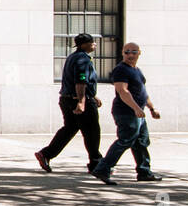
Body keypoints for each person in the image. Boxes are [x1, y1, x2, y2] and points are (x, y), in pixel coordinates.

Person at [92, 42, 162, 185]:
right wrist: (136, 108)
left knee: (141, 142)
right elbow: (122, 91)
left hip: (138, 113)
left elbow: (142, 92)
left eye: (134, 52)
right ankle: (102, 169)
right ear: (123, 53)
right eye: (127, 52)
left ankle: (144, 172)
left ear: (139, 53)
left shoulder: (137, 70)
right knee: (125, 141)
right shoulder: (121, 70)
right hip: (126, 112)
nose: (130, 55)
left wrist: (151, 108)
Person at [34, 32, 103, 174]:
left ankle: (46, 154)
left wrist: (93, 95)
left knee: (70, 128)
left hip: (66, 98)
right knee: (92, 131)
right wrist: (82, 101)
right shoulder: (82, 59)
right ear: (84, 45)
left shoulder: (73, 57)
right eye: (92, 42)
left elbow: (80, 81)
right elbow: (81, 80)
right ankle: (96, 163)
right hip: (76, 99)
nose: (95, 44)